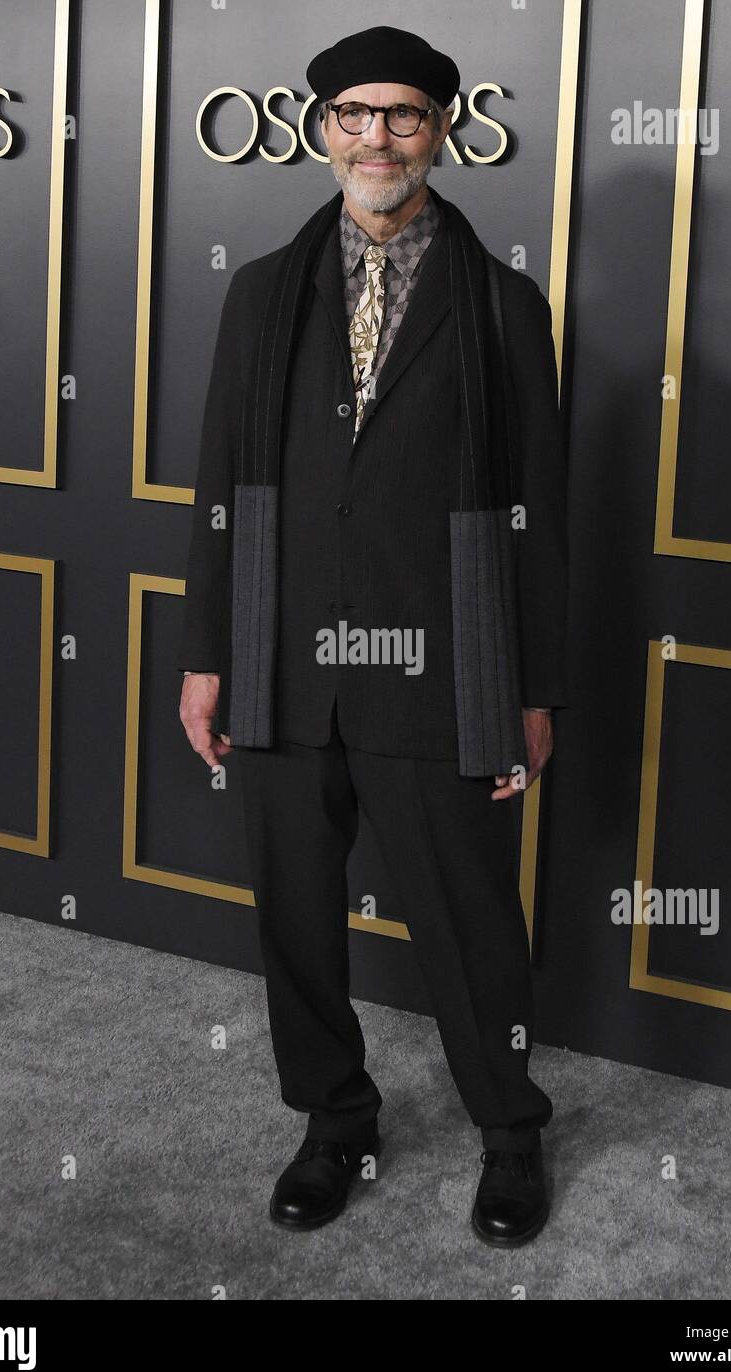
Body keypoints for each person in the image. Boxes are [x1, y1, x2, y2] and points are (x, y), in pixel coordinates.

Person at [178, 25, 570, 1247]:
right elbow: (221, 488)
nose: (378, 136)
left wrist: (534, 685)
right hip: (284, 664)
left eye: (403, 114)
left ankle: (509, 1133)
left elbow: (539, 515)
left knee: (469, 924)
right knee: (294, 915)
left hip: (440, 669)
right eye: (355, 113)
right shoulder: (260, 292)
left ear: (442, 129)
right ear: (322, 130)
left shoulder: (503, 303)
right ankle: (333, 1121)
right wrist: (206, 653)